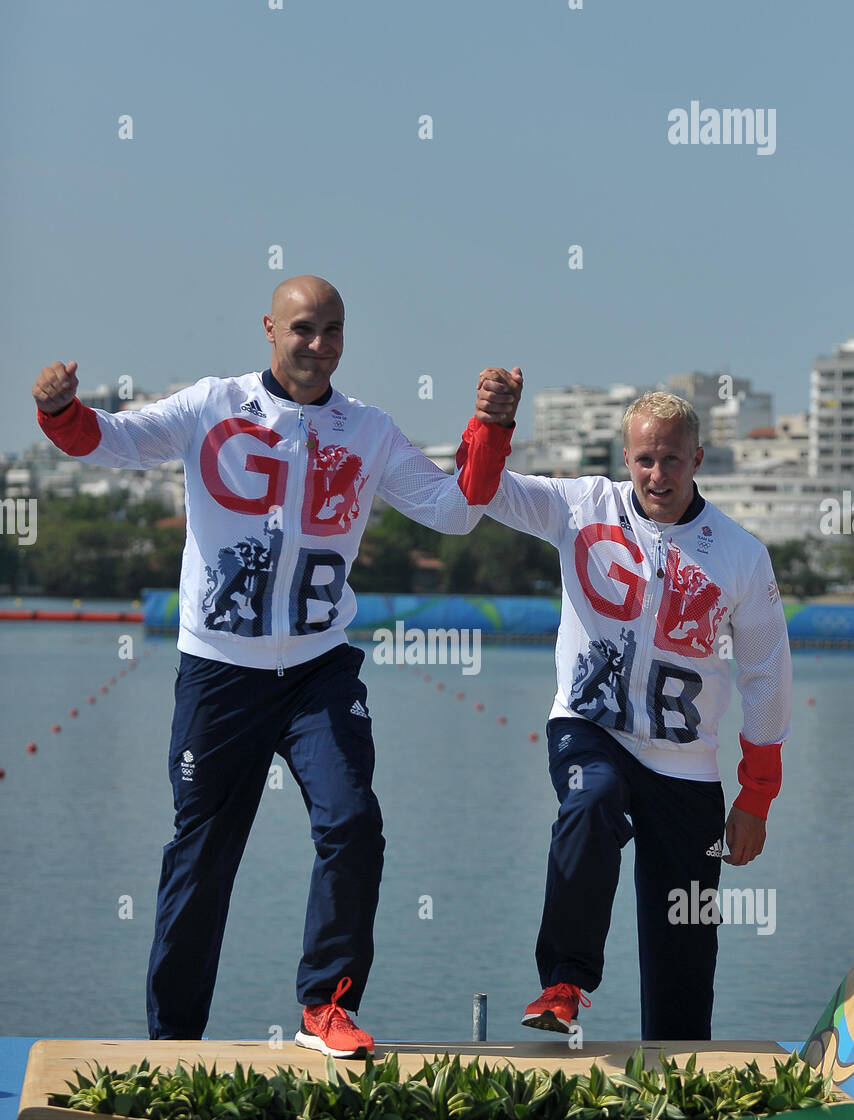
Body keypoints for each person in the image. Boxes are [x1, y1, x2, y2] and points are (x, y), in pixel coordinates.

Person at [32, 276, 522, 1056]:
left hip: (318, 672)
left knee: (354, 822)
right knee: (202, 855)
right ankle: (174, 1044)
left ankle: (325, 1008)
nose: (318, 344)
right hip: (220, 675)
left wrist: (490, 428)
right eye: (303, 328)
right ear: (269, 328)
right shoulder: (210, 405)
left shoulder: (367, 429)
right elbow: (115, 441)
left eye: (332, 329)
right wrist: (60, 411)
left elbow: (454, 510)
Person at [482, 391, 792, 1040]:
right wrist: (493, 424)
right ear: (626, 457)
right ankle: (563, 982)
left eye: (673, 459)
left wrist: (756, 796)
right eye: (645, 459)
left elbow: (766, 677)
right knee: (591, 803)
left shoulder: (740, 553)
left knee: (686, 932)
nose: (658, 475)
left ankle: (680, 1086)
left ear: (697, 459)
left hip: (687, 767)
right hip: (589, 730)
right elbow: (483, 491)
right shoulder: (582, 505)